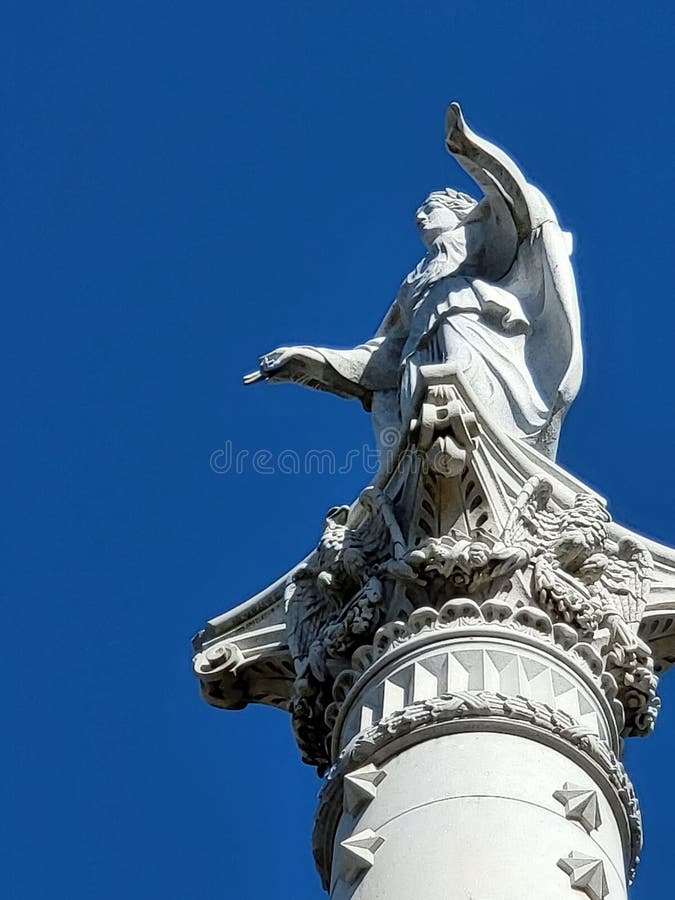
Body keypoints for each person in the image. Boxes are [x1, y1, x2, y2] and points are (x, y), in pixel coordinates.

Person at [245, 104, 582, 461]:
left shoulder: (475, 235)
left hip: (465, 327)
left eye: (430, 207)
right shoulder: (414, 281)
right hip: (417, 359)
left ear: (457, 210)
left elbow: (520, 206)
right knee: (418, 435)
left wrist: (470, 151)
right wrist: (309, 360)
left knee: (468, 416)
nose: (420, 216)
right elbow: (380, 354)